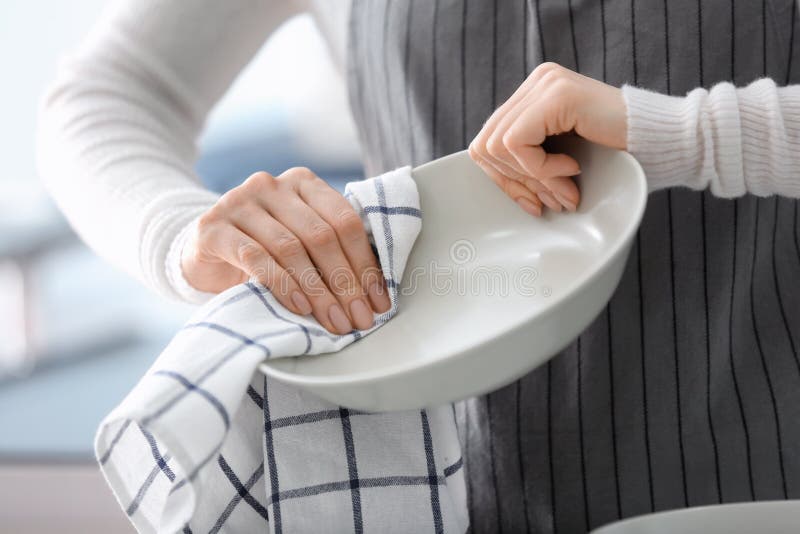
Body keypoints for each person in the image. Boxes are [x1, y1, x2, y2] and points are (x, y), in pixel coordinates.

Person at [37, 0, 800, 532]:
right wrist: (179, 233)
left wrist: (699, 133)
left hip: (767, 488)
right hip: (440, 496)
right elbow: (106, 92)